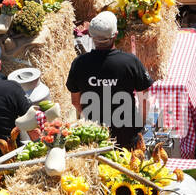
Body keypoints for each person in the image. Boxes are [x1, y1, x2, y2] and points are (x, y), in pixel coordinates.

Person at [65, 12, 153, 150]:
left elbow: (75, 101)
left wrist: (90, 121)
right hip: (127, 136)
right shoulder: (130, 62)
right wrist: (140, 125)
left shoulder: (79, 63)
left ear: (91, 36)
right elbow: (144, 99)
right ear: (115, 35)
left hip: (95, 138)